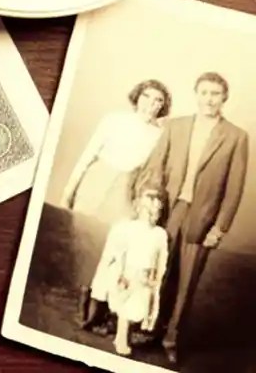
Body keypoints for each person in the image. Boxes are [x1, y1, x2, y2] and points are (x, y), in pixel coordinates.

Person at [137, 72, 250, 364]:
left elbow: (234, 187)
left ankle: (172, 338)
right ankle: (149, 328)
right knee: (158, 272)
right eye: (204, 92)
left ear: (224, 98)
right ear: (195, 94)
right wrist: (150, 203)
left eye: (215, 94)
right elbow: (156, 168)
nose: (209, 99)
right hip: (169, 211)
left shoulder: (236, 137)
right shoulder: (175, 126)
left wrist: (220, 227)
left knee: (187, 282)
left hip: (203, 218)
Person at [62, 79, 171, 224]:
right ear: (137, 97)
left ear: (162, 106)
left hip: (126, 189)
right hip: (95, 180)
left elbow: (152, 174)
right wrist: (67, 194)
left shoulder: (159, 135)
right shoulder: (114, 119)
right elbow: (87, 157)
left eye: (158, 100)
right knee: (78, 226)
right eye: (146, 96)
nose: (151, 103)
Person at [86, 187, 171, 357]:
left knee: (138, 310)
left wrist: (156, 279)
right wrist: (121, 274)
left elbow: (161, 260)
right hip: (127, 274)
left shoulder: (160, 235)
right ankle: (121, 338)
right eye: (148, 207)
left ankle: (125, 335)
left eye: (157, 209)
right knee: (125, 309)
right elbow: (117, 253)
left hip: (145, 277)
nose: (153, 212)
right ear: (139, 206)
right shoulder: (127, 228)